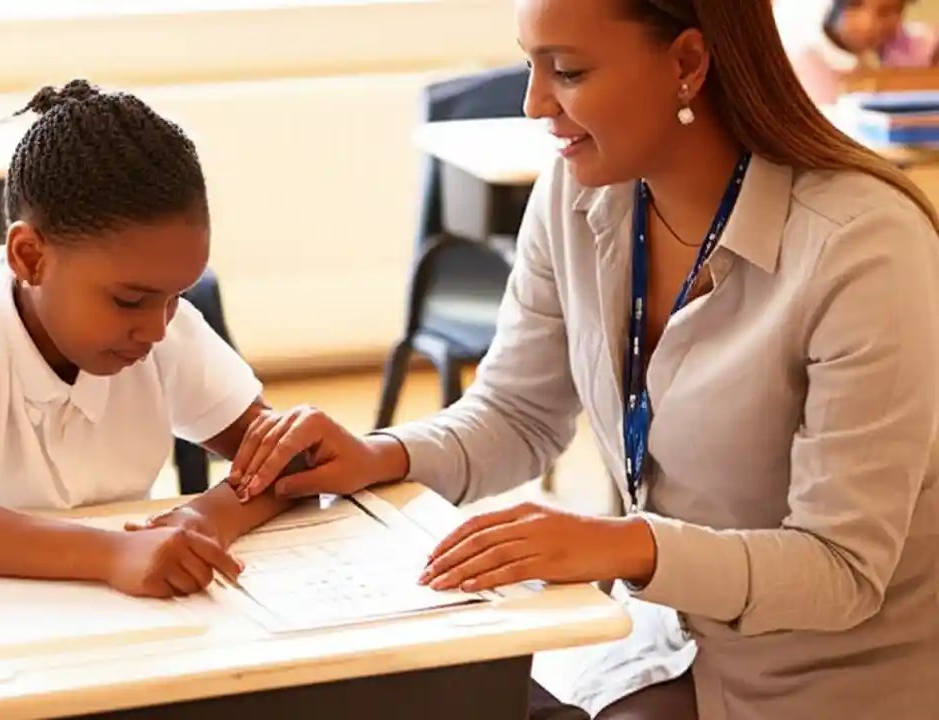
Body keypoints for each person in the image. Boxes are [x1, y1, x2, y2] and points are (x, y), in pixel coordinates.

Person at [226, 1, 939, 718]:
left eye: (568, 71)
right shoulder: (579, 193)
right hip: (662, 645)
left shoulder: (864, 248)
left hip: (839, 678)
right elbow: (516, 414)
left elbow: (840, 569)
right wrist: (379, 456)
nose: (534, 102)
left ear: (688, 64)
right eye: (530, 64)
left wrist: (621, 546)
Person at [0, 80, 293, 599]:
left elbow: (284, 462)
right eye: (129, 301)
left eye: (176, 296)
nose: (156, 328)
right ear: (30, 257)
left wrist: (201, 516)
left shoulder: (162, 327)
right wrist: (111, 555)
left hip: (93, 616)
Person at [780, 0, 939, 104]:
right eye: (855, 5)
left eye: (891, 11)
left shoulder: (915, 46)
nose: (869, 23)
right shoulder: (802, 56)